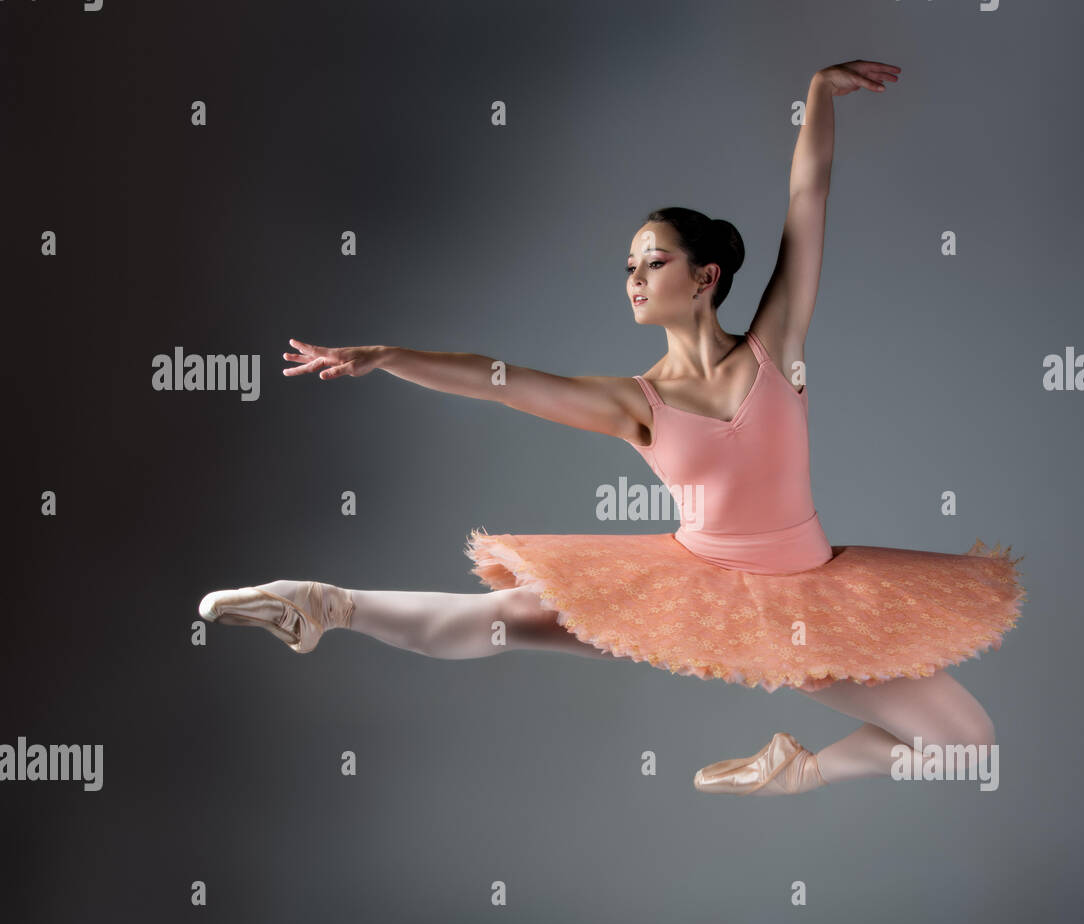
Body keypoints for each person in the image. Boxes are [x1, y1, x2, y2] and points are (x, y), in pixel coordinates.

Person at [199, 58, 1025, 796]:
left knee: (969, 746)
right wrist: (387, 355)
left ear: (705, 277)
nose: (633, 277)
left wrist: (817, 94)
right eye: (627, 266)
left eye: (652, 261)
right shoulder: (638, 403)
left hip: (812, 593)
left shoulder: (777, 344)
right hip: (692, 582)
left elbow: (807, 200)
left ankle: (801, 768)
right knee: (503, 621)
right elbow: (503, 383)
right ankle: (322, 603)